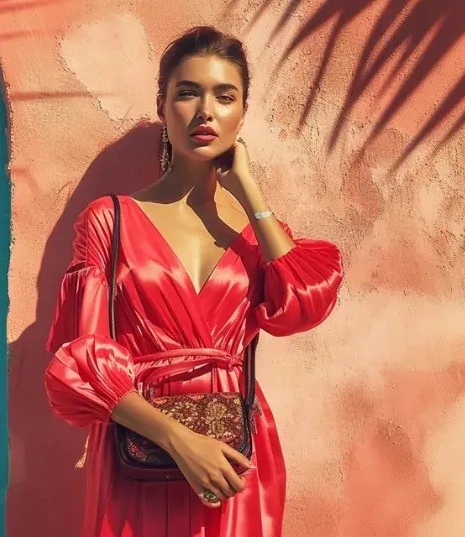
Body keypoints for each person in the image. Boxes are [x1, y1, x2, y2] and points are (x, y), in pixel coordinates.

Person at [43, 26, 344, 537]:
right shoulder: (109, 220)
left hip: (237, 457)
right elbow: (82, 366)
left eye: (225, 97)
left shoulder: (258, 234)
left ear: (242, 113)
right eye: (188, 93)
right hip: (140, 452)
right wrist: (180, 442)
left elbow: (303, 307)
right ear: (163, 106)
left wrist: (250, 192)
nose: (206, 111)